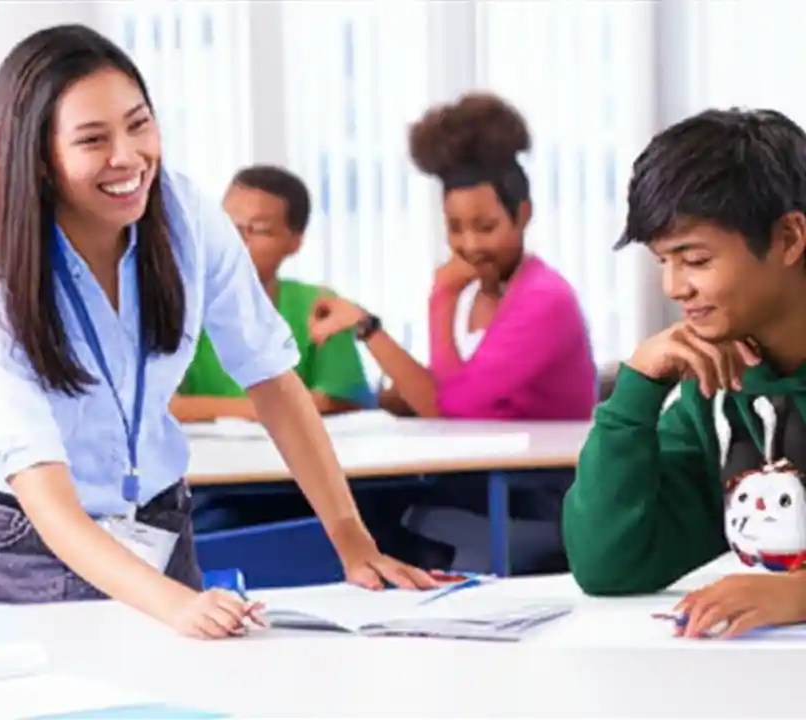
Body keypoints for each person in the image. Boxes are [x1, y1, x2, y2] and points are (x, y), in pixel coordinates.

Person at [0, 23, 436, 639]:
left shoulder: (187, 218)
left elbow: (272, 379)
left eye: (139, 124)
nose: (128, 157)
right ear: (39, 159)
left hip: (156, 517)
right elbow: (47, 499)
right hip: (28, 542)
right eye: (93, 139)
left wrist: (352, 541)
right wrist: (174, 604)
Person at [308, 92, 597, 573]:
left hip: (540, 496)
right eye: (455, 227)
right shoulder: (476, 292)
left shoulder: (544, 298)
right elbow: (447, 397)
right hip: (480, 480)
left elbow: (450, 407)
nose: (469, 245)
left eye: (486, 227)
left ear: (523, 215)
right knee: (330, 505)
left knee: (367, 517)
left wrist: (398, 315)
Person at [564, 108, 806, 639]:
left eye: (694, 259)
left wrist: (797, 593)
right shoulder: (719, 388)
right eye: (662, 262)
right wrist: (638, 389)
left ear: (788, 239)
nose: (675, 287)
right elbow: (610, 566)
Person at [170, 165, 368, 422]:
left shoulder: (318, 305)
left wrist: (208, 408)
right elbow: (161, 406)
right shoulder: (178, 304)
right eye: (226, 224)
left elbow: (337, 400)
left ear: (295, 242)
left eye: (259, 229)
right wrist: (276, 410)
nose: (236, 240)